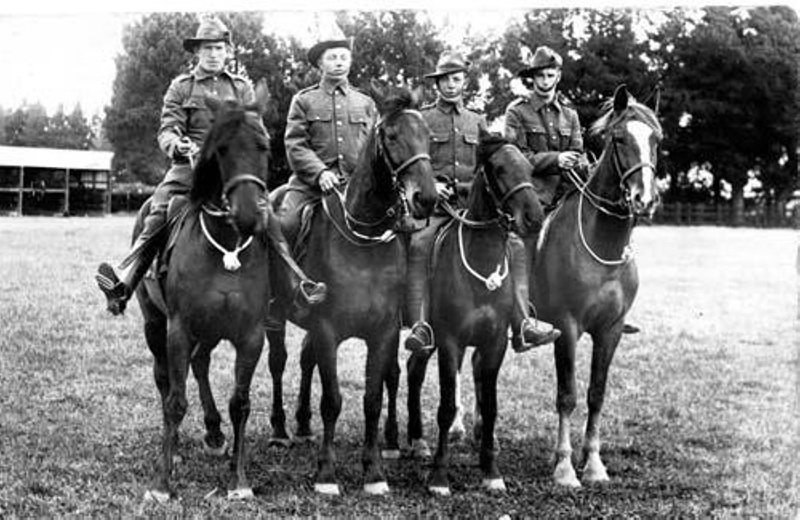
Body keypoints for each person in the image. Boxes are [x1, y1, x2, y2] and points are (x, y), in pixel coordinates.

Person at [95, 16, 326, 317]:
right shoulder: (181, 87)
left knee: (267, 215)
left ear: (227, 51)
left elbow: (252, 128)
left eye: (218, 48)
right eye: (207, 49)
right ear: (197, 52)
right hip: (189, 170)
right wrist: (177, 145)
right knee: (159, 209)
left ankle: (294, 286)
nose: (214, 54)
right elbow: (167, 129)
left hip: (232, 170)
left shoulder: (242, 88)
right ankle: (125, 282)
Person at [403, 50, 560, 354]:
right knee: (420, 244)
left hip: (472, 206)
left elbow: (485, 168)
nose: (452, 85)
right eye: (446, 80)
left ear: (464, 81)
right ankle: (421, 325)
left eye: (457, 79)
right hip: (438, 207)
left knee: (514, 245)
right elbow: (416, 163)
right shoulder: (422, 118)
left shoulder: (478, 120)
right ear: (437, 83)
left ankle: (523, 323)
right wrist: (433, 186)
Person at [504, 45, 639, 335]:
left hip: (569, 192)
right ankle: (524, 312)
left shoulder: (570, 115)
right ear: (532, 78)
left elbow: (577, 150)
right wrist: (555, 159)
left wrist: (575, 161)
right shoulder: (517, 112)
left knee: (609, 225)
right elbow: (514, 158)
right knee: (526, 241)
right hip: (533, 197)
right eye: (539, 75)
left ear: (558, 76)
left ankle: (611, 309)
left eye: (550, 75)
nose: (544, 81)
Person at [278, 24, 377, 240]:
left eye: (344, 57)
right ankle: (289, 273)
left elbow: (375, 149)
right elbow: (296, 144)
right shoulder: (304, 100)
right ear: (320, 63)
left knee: (396, 224)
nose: (339, 62)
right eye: (332, 57)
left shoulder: (366, 103)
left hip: (357, 187)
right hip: (310, 186)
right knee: (287, 223)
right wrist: (319, 173)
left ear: (351, 61)